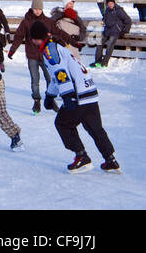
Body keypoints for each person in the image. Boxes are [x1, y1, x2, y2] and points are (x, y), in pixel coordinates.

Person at [31, 20, 119, 173]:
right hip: (89, 90)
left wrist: (67, 96)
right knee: (94, 127)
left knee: (62, 123)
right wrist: (50, 95)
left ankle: (82, 157)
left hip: (77, 94)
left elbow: (60, 73)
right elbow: (57, 75)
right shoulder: (57, 46)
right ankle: (110, 159)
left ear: (35, 38)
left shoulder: (49, 50)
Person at [9, 0, 53, 114]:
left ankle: (50, 98)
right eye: (35, 9)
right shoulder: (26, 22)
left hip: (45, 56)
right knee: (35, 80)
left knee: (50, 78)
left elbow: (56, 35)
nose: (37, 11)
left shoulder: (48, 21)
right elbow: (19, 36)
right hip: (32, 55)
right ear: (32, 9)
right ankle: (37, 100)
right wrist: (12, 50)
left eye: (39, 9)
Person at [95, 0, 133, 68]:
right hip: (107, 30)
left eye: (111, 3)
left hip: (115, 31)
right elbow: (105, 18)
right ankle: (98, 61)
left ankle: (105, 63)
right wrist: (104, 21)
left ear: (114, 3)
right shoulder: (107, 10)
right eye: (109, 3)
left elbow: (128, 20)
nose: (110, 5)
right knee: (99, 43)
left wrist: (125, 31)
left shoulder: (119, 10)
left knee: (110, 45)